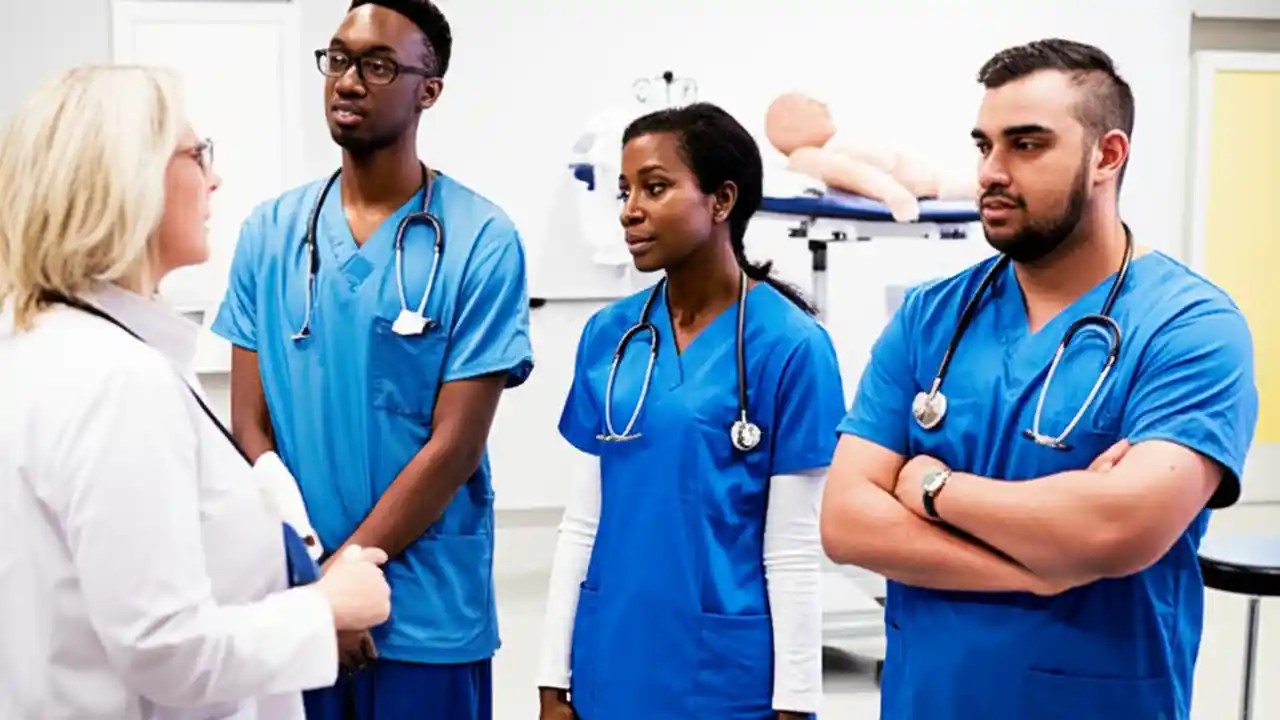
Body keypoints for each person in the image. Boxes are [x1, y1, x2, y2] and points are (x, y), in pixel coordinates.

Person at [819, 38, 1260, 720]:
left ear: (1107, 156)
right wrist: (1042, 566)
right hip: (928, 701)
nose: (992, 171)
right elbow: (847, 522)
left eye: (1026, 145)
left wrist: (932, 487)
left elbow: (1119, 530)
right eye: (984, 145)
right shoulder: (931, 317)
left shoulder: (1190, 327)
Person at [0, 65, 392, 720]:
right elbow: (164, 647)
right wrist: (325, 608)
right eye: (196, 154)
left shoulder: (41, 346)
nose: (213, 178)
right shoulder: (115, 380)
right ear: (129, 178)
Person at [210, 1, 533, 718]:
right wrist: (317, 583)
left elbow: (454, 447)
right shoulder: (271, 232)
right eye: (339, 59)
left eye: (378, 65)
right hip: (296, 598)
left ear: (429, 89)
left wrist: (347, 574)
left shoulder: (481, 238)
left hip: (424, 613)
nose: (348, 81)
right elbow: (249, 425)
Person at [537, 102, 847, 720]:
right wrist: (552, 681)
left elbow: (790, 547)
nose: (629, 209)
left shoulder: (789, 345)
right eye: (625, 190)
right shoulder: (610, 336)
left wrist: (795, 704)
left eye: (655, 188)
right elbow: (582, 523)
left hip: (723, 676)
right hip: (611, 659)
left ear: (722, 200)